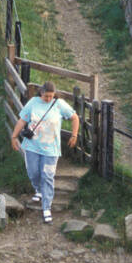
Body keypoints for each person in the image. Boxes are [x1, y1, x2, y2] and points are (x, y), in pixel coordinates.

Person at [11, 81, 79, 224]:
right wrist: (14, 136)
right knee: (33, 172)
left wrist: (74, 135)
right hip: (32, 146)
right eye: (46, 96)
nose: (48, 99)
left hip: (51, 149)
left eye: (51, 96)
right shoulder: (33, 102)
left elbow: (75, 118)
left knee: (47, 176)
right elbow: (22, 120)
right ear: (41, 93)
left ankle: (46, 207)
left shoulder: (59, 104)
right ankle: (38, 190)